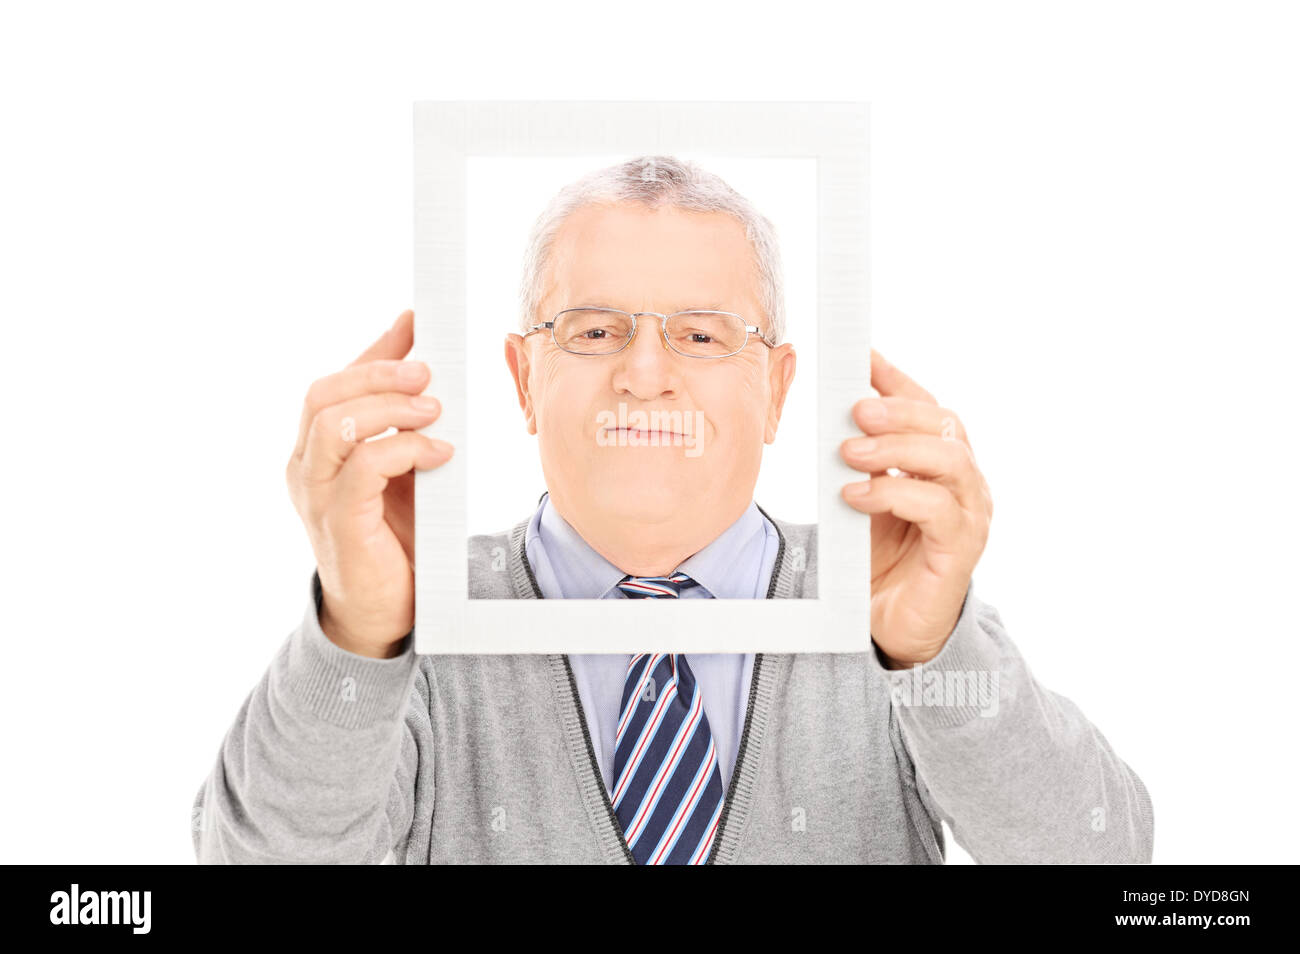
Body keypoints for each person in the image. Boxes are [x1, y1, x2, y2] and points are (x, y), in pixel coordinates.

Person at [192, 156, 1153, 864]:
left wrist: (937, 652)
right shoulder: (423, 612)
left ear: (777, 390)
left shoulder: (880, 597)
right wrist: (357, 637)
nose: (644, 374)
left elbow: (1103, 860)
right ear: (523, 380)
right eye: (593, 330)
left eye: (701, 335)